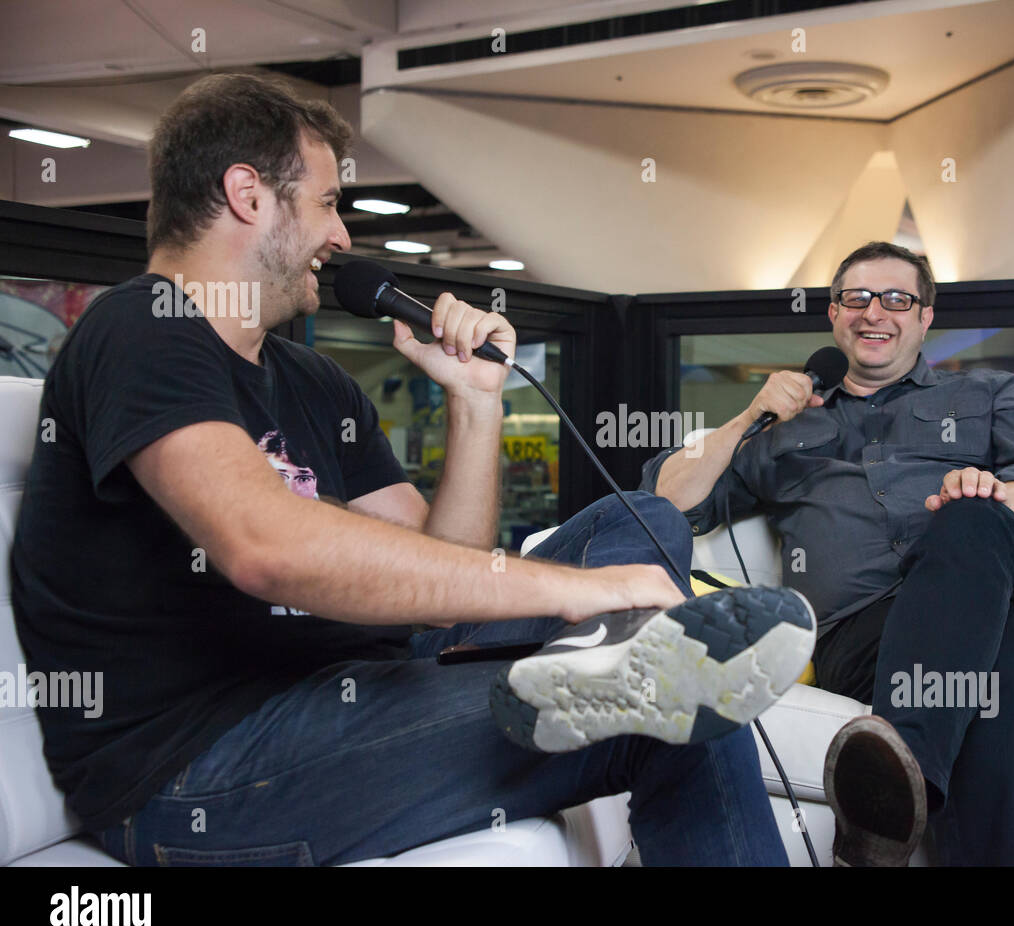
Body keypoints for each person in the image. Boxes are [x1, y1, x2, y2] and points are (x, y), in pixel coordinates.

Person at [10, 72, 815, 867]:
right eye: (327, 203)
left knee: (642, 524)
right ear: (248, 195)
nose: (342, 238)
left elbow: (440, 579)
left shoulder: (311, 381)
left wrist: (475, 404)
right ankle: (611, 672)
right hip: (200, 770)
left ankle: (597, 671)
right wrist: (581, 591)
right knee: (679, 698)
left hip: (354, 687)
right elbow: (266, 546)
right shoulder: (141, 328)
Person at [644, 241, 1014, 866]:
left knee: (974, 518)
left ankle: (886, 796)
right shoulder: (780, 429)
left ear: (925, 318)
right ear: (833, 316)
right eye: (856, 298)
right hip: (868, 640)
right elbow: (665, 504)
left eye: (896, 298)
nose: (873, 313)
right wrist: (748, 415)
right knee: (1003, 655)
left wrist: (994, 496)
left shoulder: (989, 391)